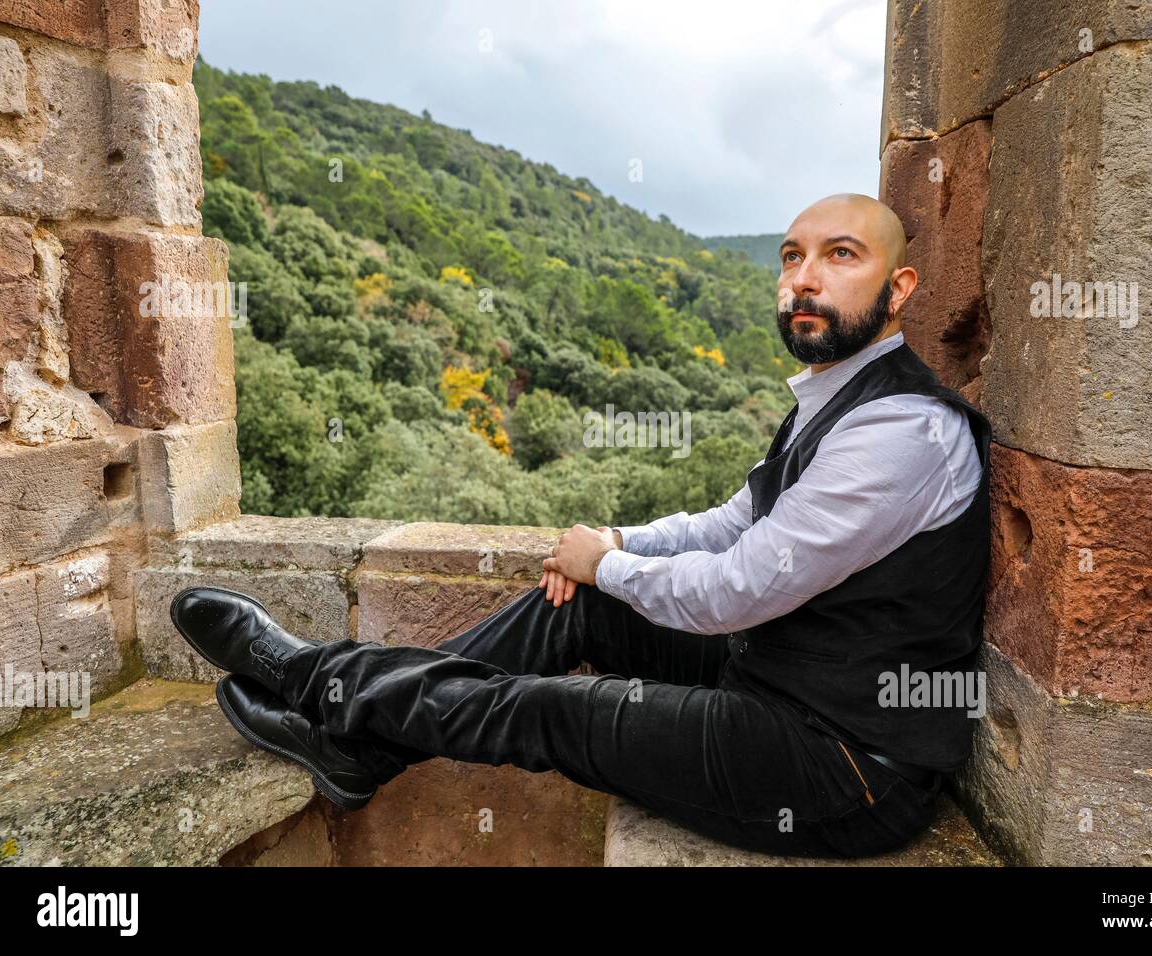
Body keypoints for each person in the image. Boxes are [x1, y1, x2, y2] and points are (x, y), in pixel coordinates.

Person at [172, 193, 992, 859]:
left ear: (902, 286)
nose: (805, 279)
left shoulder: (901, 433)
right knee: (583, 606)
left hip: (842, 769)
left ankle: (314, 676)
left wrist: (607, 565)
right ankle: (355, 747)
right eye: (791, 256)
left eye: (841, 255)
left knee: (557, 709)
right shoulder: (834, 400)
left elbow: (740, 587)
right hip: (777, 683)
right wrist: (621, 547)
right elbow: (734, 520)